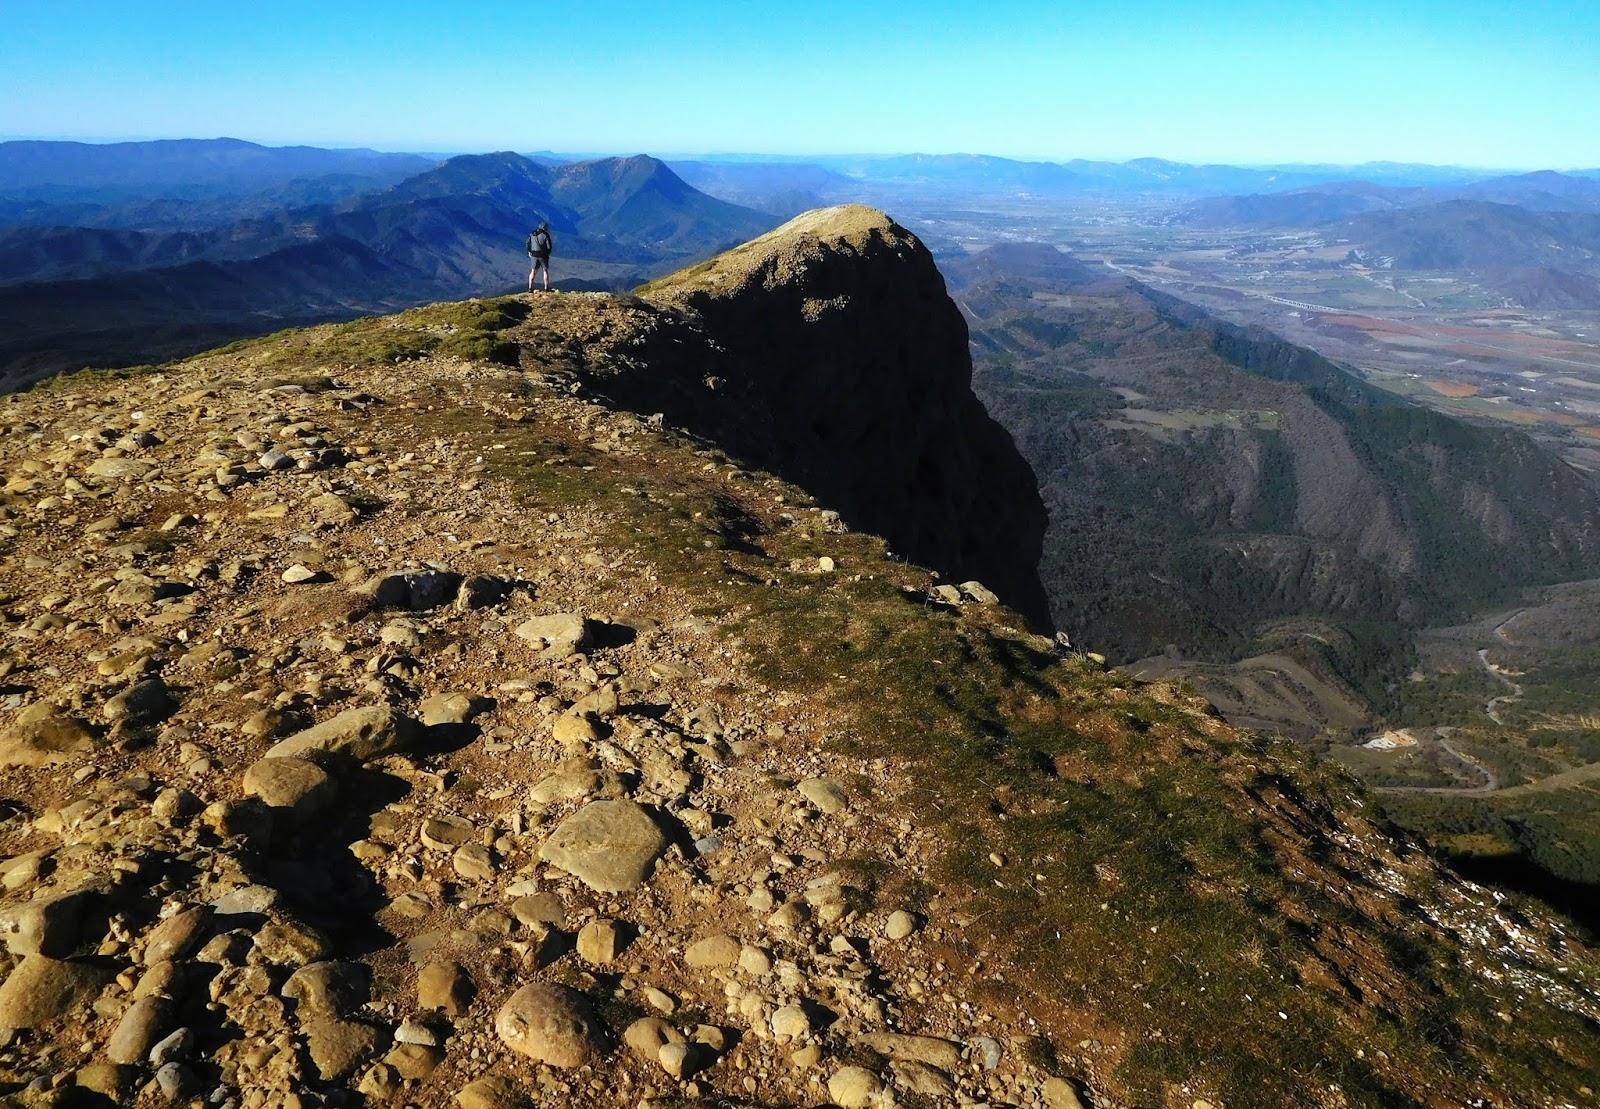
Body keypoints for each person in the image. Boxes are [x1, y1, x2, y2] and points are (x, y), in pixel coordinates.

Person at [526, 222, 553, 292]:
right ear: (544, 228)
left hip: (534, 255)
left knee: (533, 271)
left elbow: (527, 243)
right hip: (543, 255)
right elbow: (549, 247)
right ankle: (546, 287)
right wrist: (547, 253)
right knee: (545, 271)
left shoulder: (532, 234)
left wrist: (530, 251)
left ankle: (530, 288)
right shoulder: (545, 235)